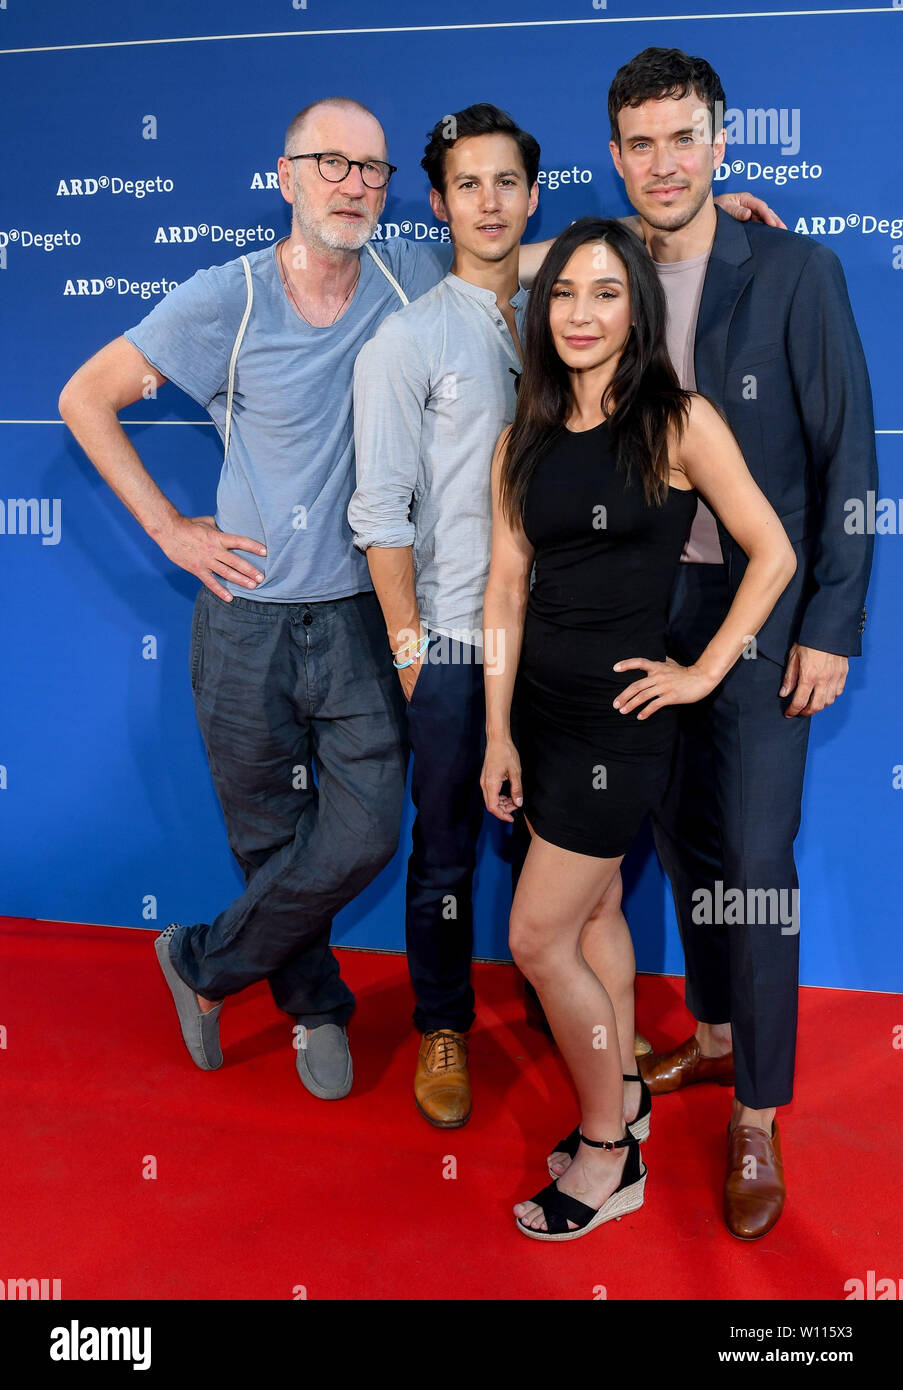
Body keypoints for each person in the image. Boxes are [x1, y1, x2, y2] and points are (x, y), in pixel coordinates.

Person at [58, 97, 457, 1100]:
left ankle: (200, 961)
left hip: (364, 616)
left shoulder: (411, 276)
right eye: (332, 164)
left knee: (363, 831)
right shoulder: (224, 299)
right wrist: (170, 529)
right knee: (270, 838)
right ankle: (316, 1004)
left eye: (372, 170)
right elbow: (84, 395)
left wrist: (679, 225)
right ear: (285, 177)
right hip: (248, 624)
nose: (355, 185)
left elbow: (528, 262)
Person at [480, 216, 796, 1241]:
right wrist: (496, 730)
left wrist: (705, 669)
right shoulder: (520, 432)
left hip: (622, 727)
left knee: (536, 935)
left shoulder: (677, 419)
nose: (580, 312)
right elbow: (505, 587)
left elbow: (772, 550)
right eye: (563, 291)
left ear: (639, 307)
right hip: (539, 714)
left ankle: (608, 1148)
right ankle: (625, 1085)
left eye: (607, 292)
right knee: (597, 912)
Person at [605, 48, 877, 1238]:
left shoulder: (797, 270)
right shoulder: (600, 271)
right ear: (618, 157)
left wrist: (832, 624)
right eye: (641, 143)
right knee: (683, 838)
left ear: (721, 142)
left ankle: (758, 1112)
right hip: (642, 609)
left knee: (758, 871)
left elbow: (848, 461)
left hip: (764, 618)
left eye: (683, 138)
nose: (665, 163)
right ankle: (713, 1039)